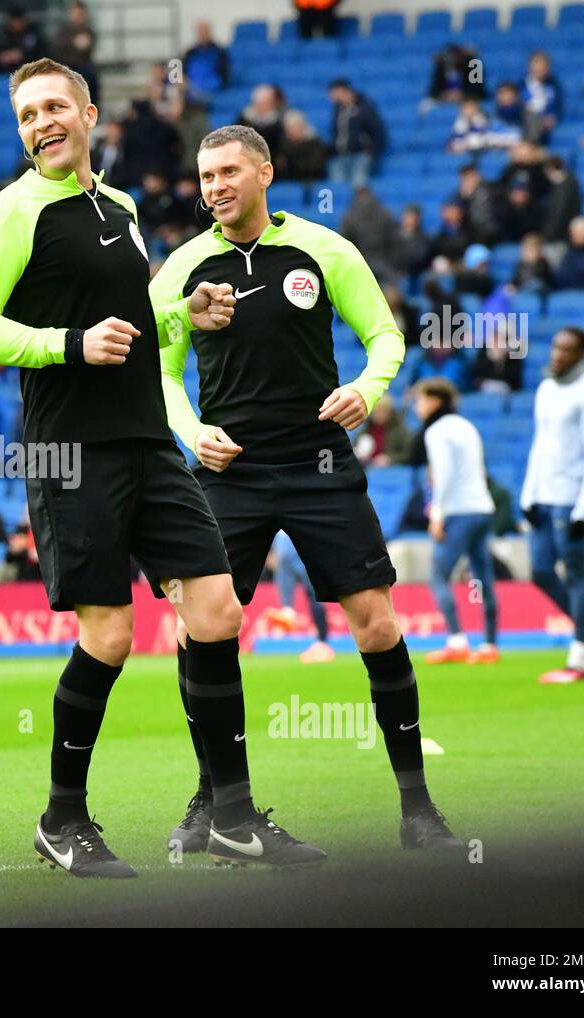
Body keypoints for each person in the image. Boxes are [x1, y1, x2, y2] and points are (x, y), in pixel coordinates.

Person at [0, 60, 291, 876]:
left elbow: (131, 314)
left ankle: (234, 816)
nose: (43, 121)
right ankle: (61, 820)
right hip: (70, 452)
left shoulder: (121, 207)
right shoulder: (10, 213)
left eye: (56, 106)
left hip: (148, 442)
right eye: (28, 112)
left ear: (89, 114)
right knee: (109, 636)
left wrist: (184, 311)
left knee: (216, 609)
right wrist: (69, 345)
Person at [153, 124, 465, 858]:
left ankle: (418, 810)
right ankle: (218, 800)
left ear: (264, 172)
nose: (215, 187)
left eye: (229, 171)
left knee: (378, 627)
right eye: (205, 177)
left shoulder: (324, 250)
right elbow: (157, 372)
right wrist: (191, 433)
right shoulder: (183, 266)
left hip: (319, 462)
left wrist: (366, 387)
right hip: (229, 470)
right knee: (203, 624)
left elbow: (386, 336)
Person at [520, 327, 584, 684]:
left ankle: (579, 655)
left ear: (582, 355)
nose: (558, 354)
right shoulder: (546, 388)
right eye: (556, 346)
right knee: (541, 571)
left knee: (576, 574)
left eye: (567, 349)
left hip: (571, 500)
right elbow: (540, 442)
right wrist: (528, 495)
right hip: (544, 497)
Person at [411, 379, 500, 665]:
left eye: (421, 400)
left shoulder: (437, 431)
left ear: (435, 401)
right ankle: (488, 644)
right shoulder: (466, 426)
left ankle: (457, 641)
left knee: (438, 575)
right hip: (482, 507)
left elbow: (444, 475)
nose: (417, 407)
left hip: (458, 510)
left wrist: (436, 514)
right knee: (483, 577)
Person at [264, 532, 334, 663]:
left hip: (306, 549)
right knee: (285, 567)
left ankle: (322, 643)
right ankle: (288, 611)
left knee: (315, 595)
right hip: (287, 551)